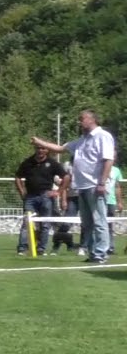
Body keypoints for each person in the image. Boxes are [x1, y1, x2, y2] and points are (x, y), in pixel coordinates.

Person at [31, 110, 116, 264]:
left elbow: (108, 160)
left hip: (95, 186)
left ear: (92, 119)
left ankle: (101, 252)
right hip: (81, 187)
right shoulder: (81, 140)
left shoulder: (103, 136)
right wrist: (40, 142)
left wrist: (102, 183)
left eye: (81, 119)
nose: (79, 122)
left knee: (99, 220)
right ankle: (93, 252)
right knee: (87, 223)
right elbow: (60, 149)